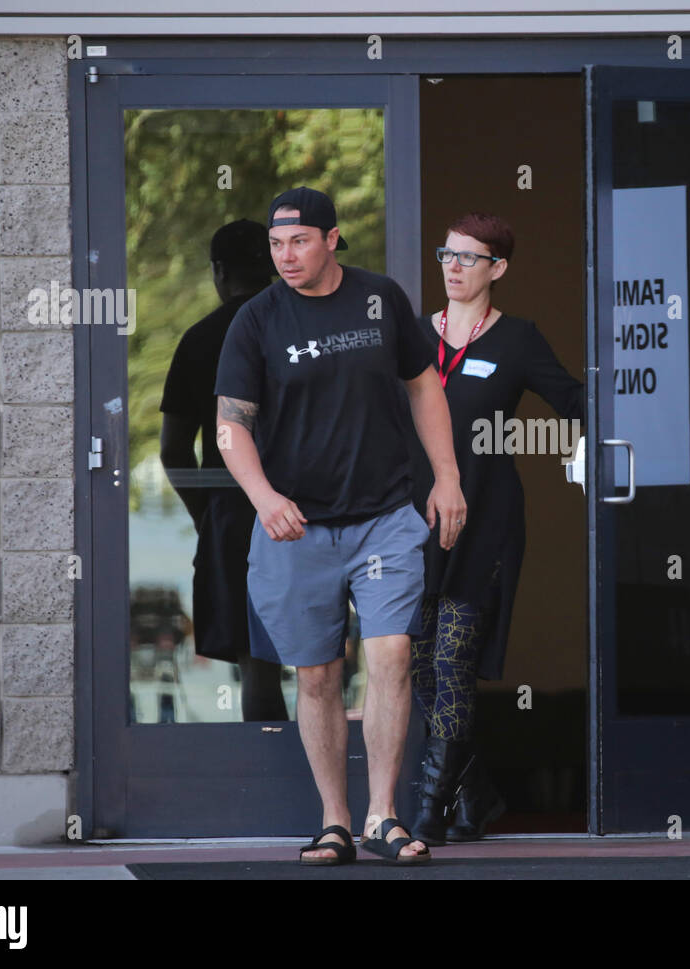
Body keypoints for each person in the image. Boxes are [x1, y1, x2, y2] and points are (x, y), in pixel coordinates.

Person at [214, 187, 466, 865]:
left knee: (389, 655)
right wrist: (264, 497)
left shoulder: (381, 299)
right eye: (275, 244)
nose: (286, 256)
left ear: (331, 239)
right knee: (319, 675)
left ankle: (385, 815)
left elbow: (424, 385)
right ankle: (335, 820)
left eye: (298, 241)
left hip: (384, 516)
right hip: (299, 527)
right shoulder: (257, 320)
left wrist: (446, 475)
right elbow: (230, 424)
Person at [406, 213, 585, 845]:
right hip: (411, 522)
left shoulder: (518, 340)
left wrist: (596, 447)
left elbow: (577, 403)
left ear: (497, 269)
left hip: (486, 518)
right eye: (445, 255)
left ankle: (430, 804)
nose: (452, 267)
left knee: (453, 659)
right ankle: (476, 792)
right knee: (418, 666)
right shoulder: (409, 336)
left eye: (468, 258)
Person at [160, 219, 287, 722]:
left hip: (235, 514)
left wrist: (208, 511)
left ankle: (267, 781)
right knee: (318, 660)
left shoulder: (201, 340)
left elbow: (173, 450)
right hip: (313, 506)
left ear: (218, 271)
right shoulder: (299, 331)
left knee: (258, 662)